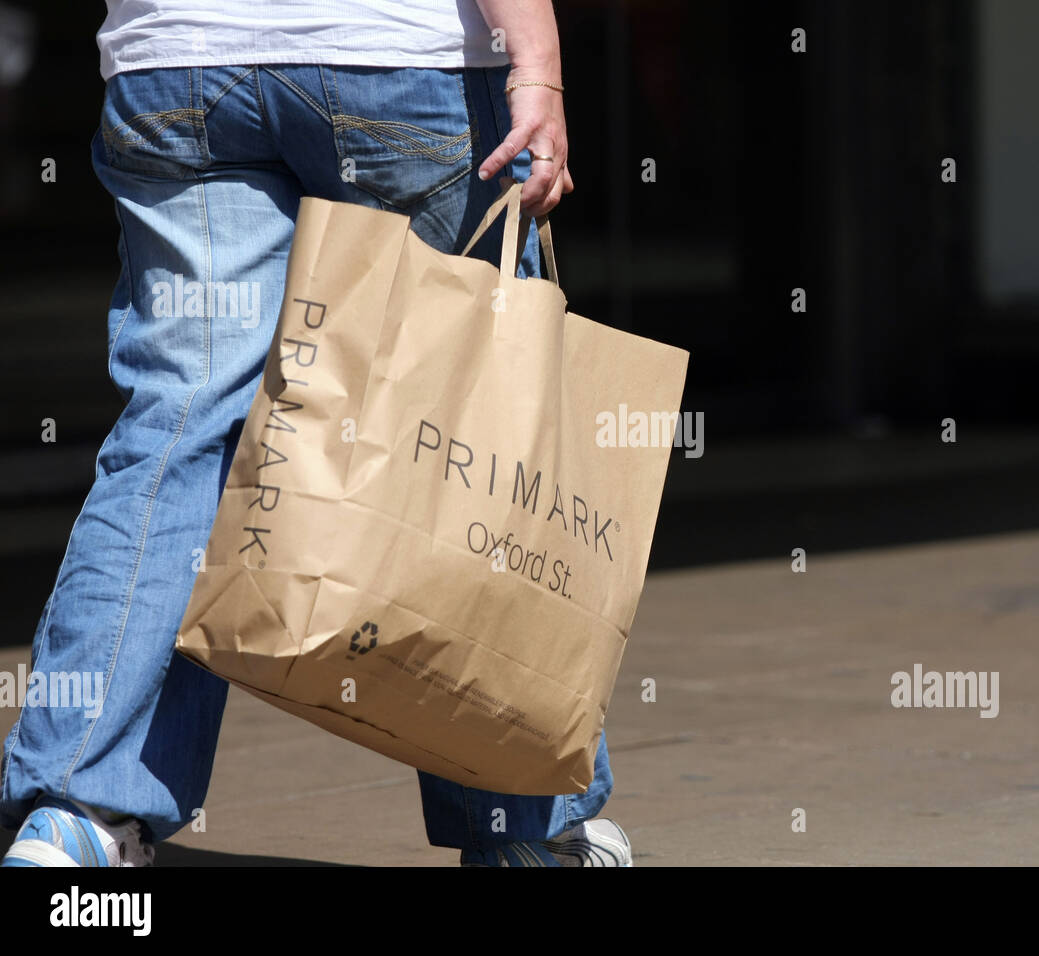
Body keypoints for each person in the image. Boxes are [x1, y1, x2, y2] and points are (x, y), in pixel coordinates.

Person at [1, 0, 631, 868]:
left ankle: (78, 815)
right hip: (397, 57)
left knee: (183, 421)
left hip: (178, 63)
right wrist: (538, 57)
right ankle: (523, 830)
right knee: (458, 426)